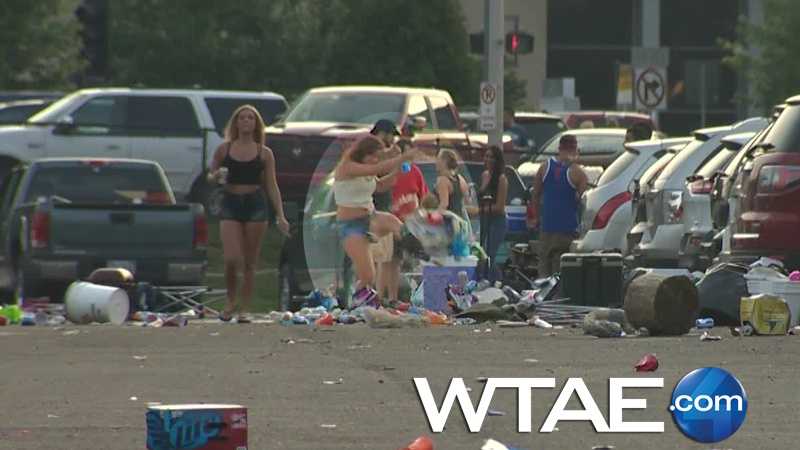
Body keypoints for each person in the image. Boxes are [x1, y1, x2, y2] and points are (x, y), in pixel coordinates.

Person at [207, 105, 290, 323]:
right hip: (230, 202)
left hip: (255, 204)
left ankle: (244, 308)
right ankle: (230, 301)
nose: (246, 121)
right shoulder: (224, 149)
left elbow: (271, 185)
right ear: (236, 123)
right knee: (231, 258)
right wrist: (216, 176)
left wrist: (280, 215)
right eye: (242, 118)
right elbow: (210, 176)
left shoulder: (264, 153)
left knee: (250, 262)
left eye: (250, 118)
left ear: (256, 124)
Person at [334, 135, 416, 308]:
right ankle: (356, 301)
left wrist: (397, 171)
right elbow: (376, 168)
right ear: (363, 153)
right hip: (351, 225)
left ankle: (417, 250)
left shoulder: (368, 171)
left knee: (395, 223)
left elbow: (380, 186)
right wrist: (400, 158)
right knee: (368, 275)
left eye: (378, 157)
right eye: (373, 156)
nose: (375, 160)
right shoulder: (347, 166)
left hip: (371, 217)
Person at [528, 134, 589, 278]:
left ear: (559, 148)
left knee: (544, 268)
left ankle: (542, 290)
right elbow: (583, 201)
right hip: (568, 229)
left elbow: (535, 195)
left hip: (547, 226)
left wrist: (536, 218)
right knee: (562, 271)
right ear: (575, 149)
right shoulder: (578, 173)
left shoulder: (544, 167)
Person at [478, 145, 509, 283]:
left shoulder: (502, 179)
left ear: (497, 160)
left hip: (498, 222)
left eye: (492, 157)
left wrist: (480, 210)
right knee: (480, 254)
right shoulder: (484, 175)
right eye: (486, 156)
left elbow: (500, 207)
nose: (488, 159)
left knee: (488, 254)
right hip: (485, 220)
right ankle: (485, 280)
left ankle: (498, 282)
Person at [435, 149, 469, 221]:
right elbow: (467, 199)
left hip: (448, 222)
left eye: (438, 159)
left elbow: (444, 204)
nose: (436, 162)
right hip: (461, 220)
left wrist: (433, 217)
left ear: (444, 162)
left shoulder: (442, 180)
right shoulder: (460, 178)